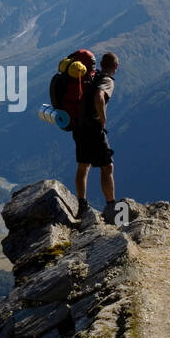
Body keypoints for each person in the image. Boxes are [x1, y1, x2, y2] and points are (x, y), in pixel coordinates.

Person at [73, 51, 118, 217]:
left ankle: (82, 205)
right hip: (93, 129)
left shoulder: (92, 77)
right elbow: (99, 96)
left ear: (100, 64)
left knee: (83, 165)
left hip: (79, 126)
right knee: (107, 167)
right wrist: (103, 116)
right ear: (116, 67)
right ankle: (111, 206)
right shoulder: (107, 80)